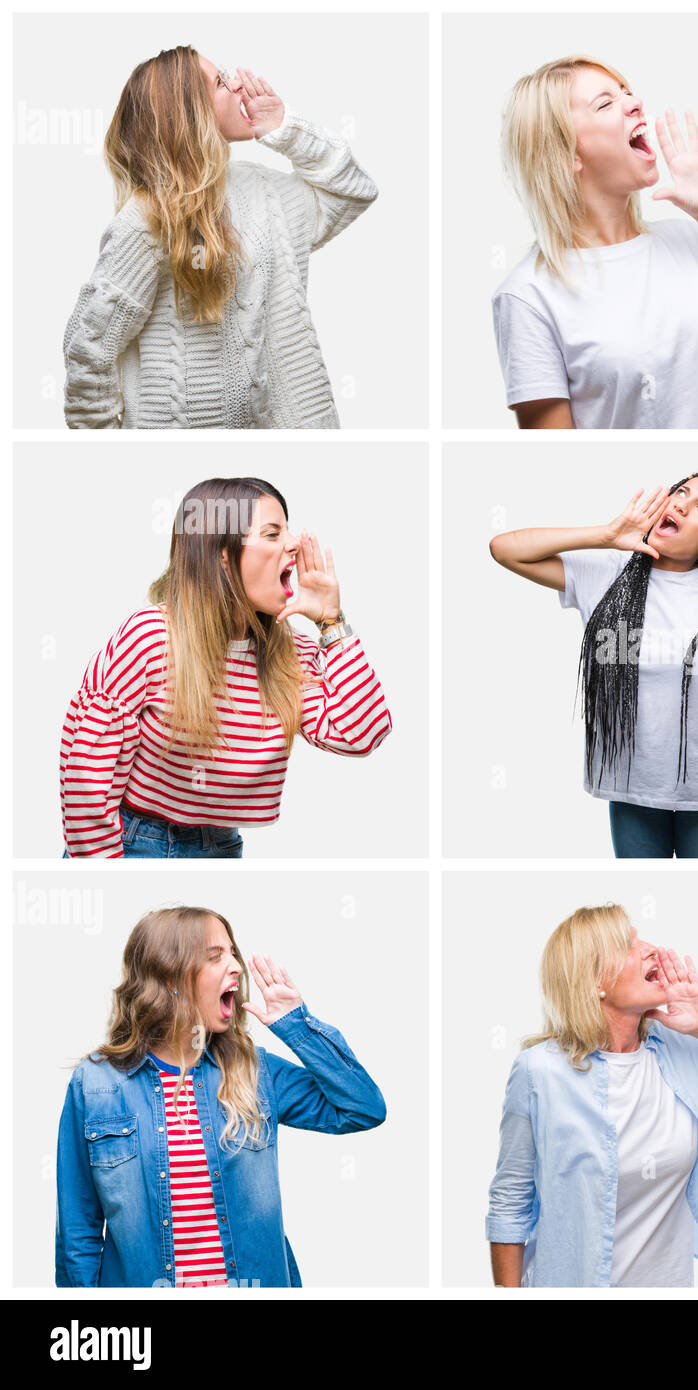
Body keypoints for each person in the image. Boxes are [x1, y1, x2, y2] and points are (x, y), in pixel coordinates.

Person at [60, 476, 392, 857]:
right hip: (133, 840)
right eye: (272, 533)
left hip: (220, 845)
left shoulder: (293, 651)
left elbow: (359, 734)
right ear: (221, 555)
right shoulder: (151, 636)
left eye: (289, 528)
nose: (294, 544)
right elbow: (87, 777)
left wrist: (331, 622)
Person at [56, 907, 386, 1286]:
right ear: (170, 977)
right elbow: (77, 1231)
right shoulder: (96, 1084)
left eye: (233, 953)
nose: (236, 967)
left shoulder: (256, 1070)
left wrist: (295, 1025)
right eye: (215, 956)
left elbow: (362, 1108)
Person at [486, 904, 698, 1286]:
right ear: (595, 981)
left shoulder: (683, 1051)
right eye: (627, 945)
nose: (650, 948)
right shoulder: (538, 1071)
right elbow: (510, 1202)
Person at [489, 473, 698, 857]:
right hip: (632, 792)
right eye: (681, 493)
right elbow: (504, 549)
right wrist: (607, 534)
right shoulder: (607, 573)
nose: (680, 505)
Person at [63, 47, 377, 428]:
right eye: (221, 82)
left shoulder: (263, 189)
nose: (239, 86)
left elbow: (354, 190)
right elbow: (89, 349)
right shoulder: (145, 220)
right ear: (192, 112)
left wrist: (286, 129)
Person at [492, 55, 698, 428]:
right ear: (566, 154)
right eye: (606, 103)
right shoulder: (528, 295)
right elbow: (557, 457)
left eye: (628, 92)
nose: (635, 103)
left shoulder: (690, 238)